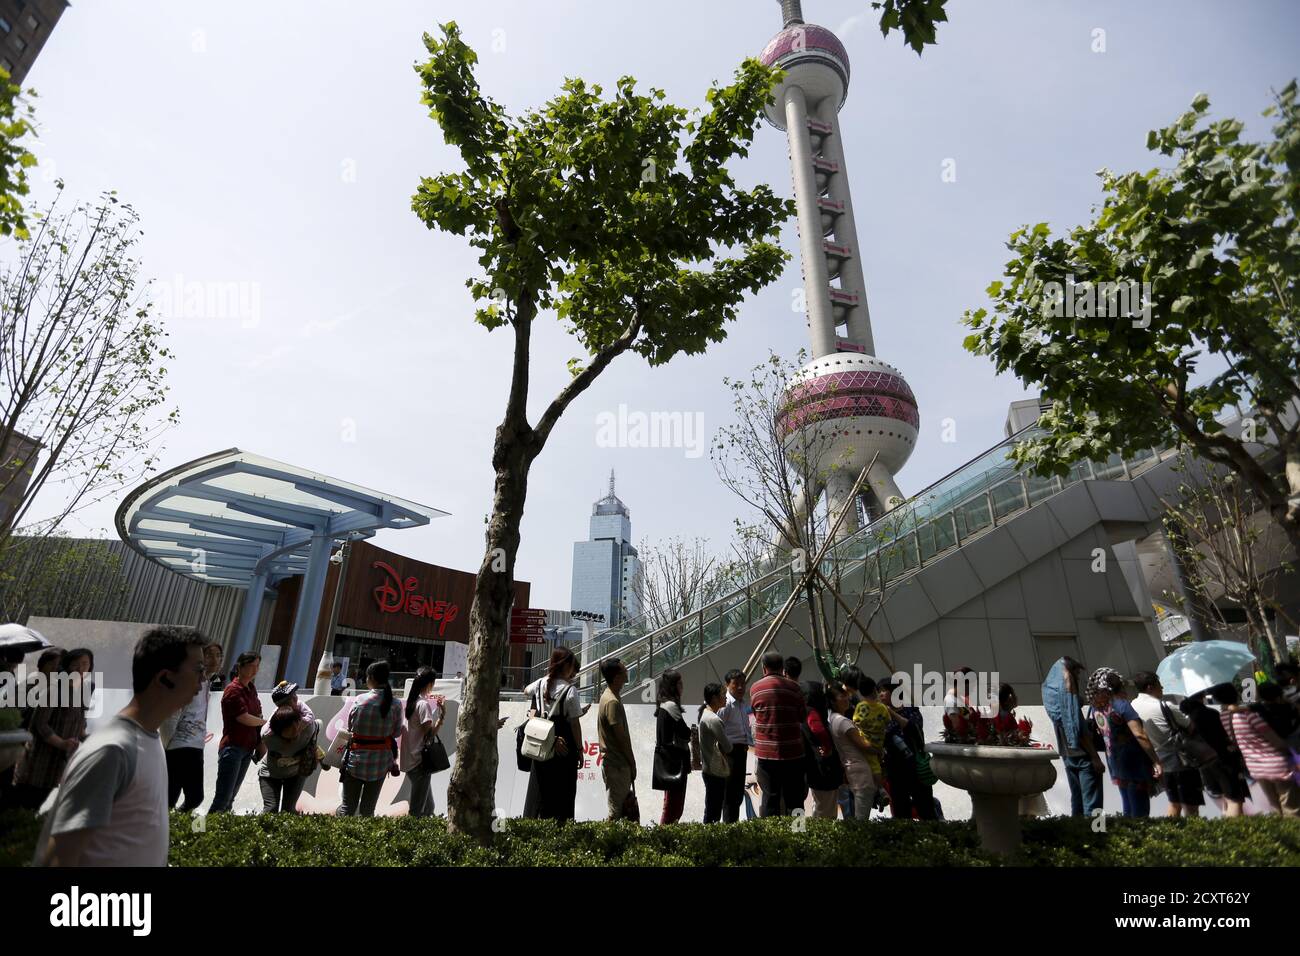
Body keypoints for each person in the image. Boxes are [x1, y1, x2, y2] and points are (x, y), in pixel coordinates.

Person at [34, 626, 208, 866]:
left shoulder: (151, 740)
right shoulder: (112, 750)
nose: (204, 678)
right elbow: (56, 860)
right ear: (165, 677)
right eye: (199, 669)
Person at [13, 648, 94, 810]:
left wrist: (91, 740)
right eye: (75, 665)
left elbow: (79, 725)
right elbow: (40, 724)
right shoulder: (55, 690)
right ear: (67, 667)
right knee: (27, 807)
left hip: (59, 766)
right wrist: (62, 743)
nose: (80, 669)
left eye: (85, 664)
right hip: (39, 764)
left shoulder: (82, 693)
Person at [1087, 667, 1161, 818]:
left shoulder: (1097, 707)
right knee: (1140, 809)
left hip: (1115, 761)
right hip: (1134, 762)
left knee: (1127, 804)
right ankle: (1138, 838)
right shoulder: (1122, 705)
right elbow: (1140, 735)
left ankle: (1128, 835)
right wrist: (1156, 761)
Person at [1220, 681, 1300, 816]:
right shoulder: (1252, 714)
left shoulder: (1224, 718)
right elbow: (1278, 742)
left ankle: (1283, 835)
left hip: (1255, 767)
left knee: (1275, 807)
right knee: (1291, 808)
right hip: (1278, 765)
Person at [1130, 671, 1204, 817]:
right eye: (1160, 685)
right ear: (1150, 687)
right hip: (1180, 761)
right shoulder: (1165, 706)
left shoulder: (1132, 706)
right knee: (1191, 805)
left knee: (1174, 803)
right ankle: (1195, 834)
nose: (1162, 688)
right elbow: (1190, 727)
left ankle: (1170, 835)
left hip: (1156, 762)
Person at [337, 660, 404, 817]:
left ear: (371, 678)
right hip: (380, 763)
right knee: (368, 810)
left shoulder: (359, 700)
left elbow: (350, 728)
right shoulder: (395, 704)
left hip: (355, 760)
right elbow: (396, 733)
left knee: (347, 808)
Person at [524, 647, 584, 821]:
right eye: (572, 666)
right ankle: (559, 831)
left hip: (542, 744)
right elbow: (574, 723)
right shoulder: (570, 691)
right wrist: (580, 749)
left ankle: (533, 826)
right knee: (562, 794)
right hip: (564, 749)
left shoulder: (540, 683)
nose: (573, 671)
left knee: (538, 790)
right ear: (564, 666)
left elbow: (526, 690)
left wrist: (539, 708)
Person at [162, 640, 222, 811]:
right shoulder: (189, 681)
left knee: (192, 797)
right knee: (174, 796)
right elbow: (172, 714)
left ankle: (174, 829)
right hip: (180, 745)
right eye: (209, 654)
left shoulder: (207, 683)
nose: (214, 660)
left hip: (195, 745)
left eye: (218, 655)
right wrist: (168, 744)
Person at [1042, 656, 1104, 817]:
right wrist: (1095, 758)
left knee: (1077, 799)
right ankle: (1098, 834)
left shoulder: (1055, 701)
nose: (1077, 678)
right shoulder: (1071, 713)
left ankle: (1077, 834)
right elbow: (1079, 731)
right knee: (1094, 804)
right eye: (1075, 674)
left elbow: (1070, 706)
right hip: (1084, 756)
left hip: (1067, 755)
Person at [749, 650, 805, 816]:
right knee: (795, 799)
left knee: (770, 797)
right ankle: (799, 833)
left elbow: (756, 713)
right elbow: (802, 716)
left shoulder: (755, 688)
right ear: (782, 668)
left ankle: (772, 837)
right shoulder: (795, 688)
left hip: (766, 755)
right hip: (793, 753)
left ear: (764, 668)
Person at [209, 651, 265, 813]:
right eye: (252, 666)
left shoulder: (251, 688)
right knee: (222, 799)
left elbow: (257, 713)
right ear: (240, 667)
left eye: (257, 666)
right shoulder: (233, 690)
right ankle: (199, 832)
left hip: (247, 748)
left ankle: (215, 832)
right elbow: (244, 718)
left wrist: (260, 741)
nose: (255, 670)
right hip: (232, 748)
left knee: (229, 799)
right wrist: (265, 723)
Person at [1181, 688, 1247, 816]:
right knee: (1235, 800)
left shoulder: (1188, 719)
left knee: (1225, 800)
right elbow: (1223, 736)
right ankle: (1236, 832)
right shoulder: (1209, 713)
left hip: (1204, 764)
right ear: (1201, 697)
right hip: (1222, 759)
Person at [878, 675, 934, 820]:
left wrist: (891, 713)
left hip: (916, 767)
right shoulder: (879, 716)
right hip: (895, 769)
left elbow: (912, 728)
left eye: (884, 690)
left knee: (926, 808)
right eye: (879, 691)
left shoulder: (911, 710)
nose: (881, 694)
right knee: (901, 810)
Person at [399, 667, 445, 817]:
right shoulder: (423, 705)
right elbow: (430, 734)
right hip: (419, 762)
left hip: (411, 760)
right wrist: (442, 716)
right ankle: (412, 836)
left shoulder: (412, 702)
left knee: (428, 807)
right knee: (417, 810)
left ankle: (421, 835)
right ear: (430, 684)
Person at [828, 679, 876, 819]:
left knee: (855, 815)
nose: (847, 698)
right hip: (860, 771)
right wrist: (879, 748)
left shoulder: (832, 719)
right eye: (842, 696)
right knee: (861, 818)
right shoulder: (842, 721)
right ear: (832, 701)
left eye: (846, 694)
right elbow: (866, 746)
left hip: (851, 769)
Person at [597, 658, 637, 821]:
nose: (627, 672)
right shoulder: (612, 701)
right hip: (617, 764)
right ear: (616, 677)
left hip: (616, 763)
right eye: (623, 671)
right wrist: (632, 761)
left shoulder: (609, 696)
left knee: (620, 810)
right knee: (617, 811)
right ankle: (605, 842)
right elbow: (621, 737)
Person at [259, 705, 319, 813]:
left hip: (295, 774)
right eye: (290, 728)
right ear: (279, 730)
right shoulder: (270, 739)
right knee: (271, 808)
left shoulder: (308, 730)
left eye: (297, 724)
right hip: (270, 773)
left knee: (289, 809)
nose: (296, 730)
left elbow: (316, 722)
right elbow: (265, 730)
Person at [653, 669, 692, 824]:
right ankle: (664, 839)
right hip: (675, 763)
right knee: (673, 807)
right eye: (679, 683)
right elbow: (685, 732)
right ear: (673, 686)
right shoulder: (671, 707)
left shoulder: (664, 705)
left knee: (671, 805)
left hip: (669, 762)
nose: (682, 686)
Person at [802, 681, 842, 818]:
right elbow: (818, 730)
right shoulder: (812, 712)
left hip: (815, 767)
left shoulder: (803, 710)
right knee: (826, 810)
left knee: (819, 806)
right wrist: (827, 748)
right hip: (824, 769)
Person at [718, 668, 753, 822]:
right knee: (729, 794)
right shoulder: (725, 705)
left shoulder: (742, 703)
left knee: (737, 793)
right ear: (727, 685)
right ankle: (728, 826)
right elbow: (716, 729)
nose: (740, 687)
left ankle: (734, 824)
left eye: (743, 684)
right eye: (736, 684)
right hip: (729, 753)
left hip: (741, 752)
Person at [851, 674, 890, 812]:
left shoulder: (861, 706)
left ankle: (879, 791)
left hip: (865, 743)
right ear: (875, 690)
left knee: (872, 768)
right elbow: (887, 722)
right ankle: (880, 793)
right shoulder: (882, 708)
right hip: (879, 743)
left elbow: (856, 721)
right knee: (877, 767)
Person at [698, 681, 733, 823]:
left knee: (711, 807)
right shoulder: (714, 719)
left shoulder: (706, 714)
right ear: (714, 698)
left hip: (708, 769)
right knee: (714, 810)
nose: (725, 698)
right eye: (723, 695)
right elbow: (728, 746)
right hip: (715, 770)